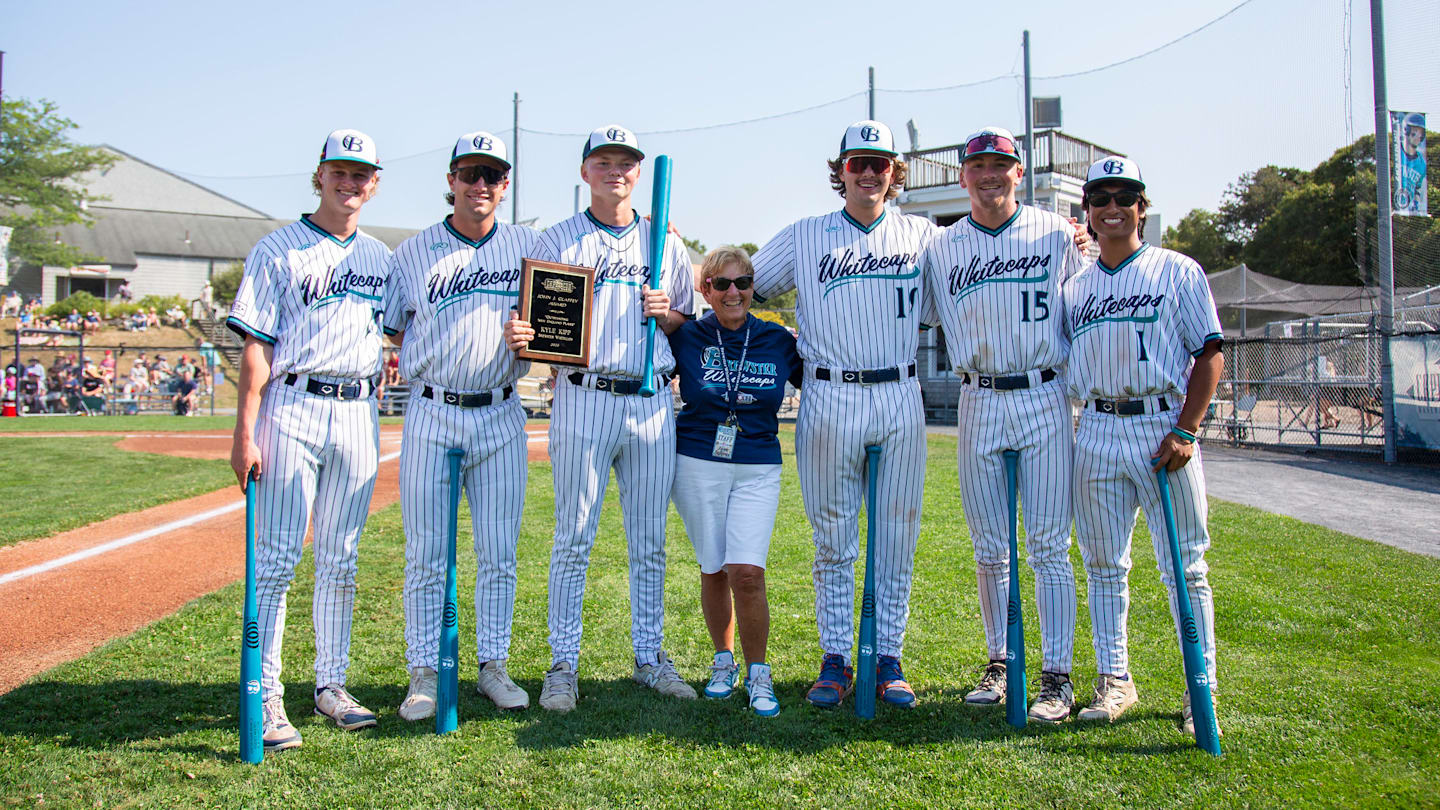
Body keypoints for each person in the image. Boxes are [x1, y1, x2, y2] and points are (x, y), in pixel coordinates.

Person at [507, 125, 696, 712]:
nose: (616, 171)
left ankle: (650, 656)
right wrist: (527, 336)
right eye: (604, 161)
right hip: (583, 396)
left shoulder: (666, 241)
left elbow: (688, 326)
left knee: (650, 539)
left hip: (651, 401)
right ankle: (563, 662)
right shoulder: (558, 241)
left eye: (626, 162)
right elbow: (540, 327)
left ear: (638, 172)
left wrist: (667, 315)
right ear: (585, 171)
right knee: (573, 536)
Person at [751, 121, 934, 709]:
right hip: (829, 393)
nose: (870, 172)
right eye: (858, 162)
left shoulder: (924, 235)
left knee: (896, 536)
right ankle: (835, 658)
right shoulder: (806, 234)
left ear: (895, 171)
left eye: (881, 163)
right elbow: (742, 285)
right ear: (841, 170)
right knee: (833, 539)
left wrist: (1067, 236)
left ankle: (888, 658)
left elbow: (981, 267)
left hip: (899, 392)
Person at [226, 128, 391, 753]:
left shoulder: (380, 257)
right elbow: (256, 346)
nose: (349, 182)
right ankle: (266, 693)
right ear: (319, 174)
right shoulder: (277, 249)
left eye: (361, 174)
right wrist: (245, 431)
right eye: (339, 171)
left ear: (374, 184)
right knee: (276, 558)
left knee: (341, 557)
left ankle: (331, 684)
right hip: (292, 404)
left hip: (358, 410)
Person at [918, 126, 1084, 722]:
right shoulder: (941, 249)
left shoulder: (1057, 233)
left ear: (1019, 172)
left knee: (1049, 546)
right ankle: (1000, 661)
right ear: (964, 176)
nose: (989, 175)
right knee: (990, 548)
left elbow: (1085, 304)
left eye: (1000, 164)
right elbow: (922, 312)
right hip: (979, 397)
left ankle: (1057, 675)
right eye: (978, 166)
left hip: (1044, 393)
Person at [1062, 157, 1225, 738]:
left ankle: (1199, 684)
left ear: (1141, 207)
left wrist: (1187, 429)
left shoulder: (1177, 270)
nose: (1112, 207)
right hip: (1097, 427)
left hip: (1162, 425)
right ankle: (1115, 678)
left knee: (1186, 565)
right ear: (1087, 210)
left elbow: (1209, 353)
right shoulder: (1074, 287)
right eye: (1100, 198)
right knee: (1104, 565)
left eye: (1124, 197)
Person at [383, 131, 537, 718]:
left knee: (499, 552)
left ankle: (493, 665)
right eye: (469, 173)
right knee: (427, 553)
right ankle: (424, 671)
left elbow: (572, 292)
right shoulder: (413, 252)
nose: (480, 184)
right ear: (450, 180)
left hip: (501, 412)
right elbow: (394, 328)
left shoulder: (528, 245)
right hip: (432, 410)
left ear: (505, 184)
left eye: (492, 175)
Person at [665, 246, 802, 717]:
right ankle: (722, 661)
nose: (733, 292)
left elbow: (822, 377)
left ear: (751, 287)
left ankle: (758, 672)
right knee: (714, 568)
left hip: (759, 463)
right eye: (721, 284)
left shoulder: (777, 339)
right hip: (698, 460)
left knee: (747, 572)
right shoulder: (686, 337)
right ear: (706, 290)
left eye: (742, 282)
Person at [1397, 113, 1427, 214]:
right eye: (1414, 132)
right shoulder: (1396, 153)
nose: (1418, 136)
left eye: (1421, 133)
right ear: (1406, 131)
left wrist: (1416, 206)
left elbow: (1418, 189)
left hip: (1407, 211)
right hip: (1392, 205)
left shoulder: (1422, 164)